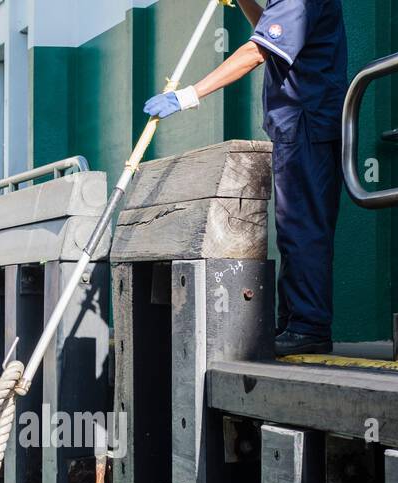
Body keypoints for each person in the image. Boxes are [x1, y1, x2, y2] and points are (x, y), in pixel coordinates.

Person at [144, 0, 347, 356]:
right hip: (300, 123)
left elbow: (257, 51)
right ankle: (296, 322)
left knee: (303, 226)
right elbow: (267, 35)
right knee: (294, 227)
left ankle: (308, 326)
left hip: (307, 122)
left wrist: (190, 95)